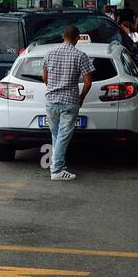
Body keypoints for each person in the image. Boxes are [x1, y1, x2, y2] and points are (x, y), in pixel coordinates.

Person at [41, 24, 94, 181]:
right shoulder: (80, 55)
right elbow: (88, 82)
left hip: (51, 100)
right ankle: (56, 170)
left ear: (63, 36)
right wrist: (81, 97)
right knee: (63, 135)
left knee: (56, 134)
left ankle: (58, 166)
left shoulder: (49, 53)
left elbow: (44, 77)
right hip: (70, 101)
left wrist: (52, 88)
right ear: (77, 38)